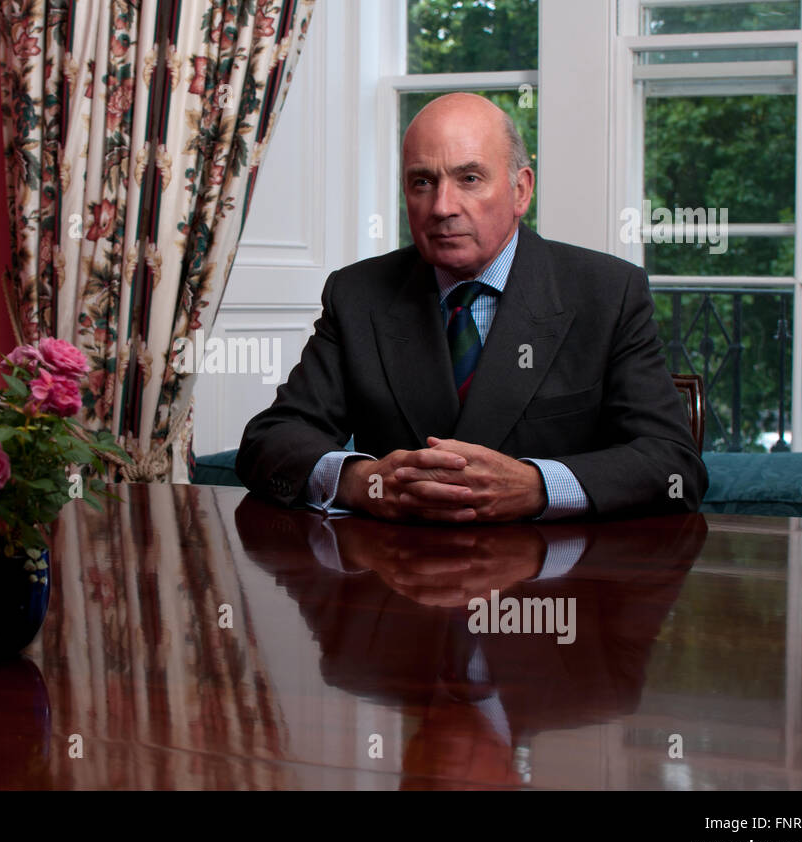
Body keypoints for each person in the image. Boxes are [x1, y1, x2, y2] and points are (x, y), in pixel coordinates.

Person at [235, 92, 707, 521]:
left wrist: (538, 485)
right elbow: (270, 441)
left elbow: (673, 466)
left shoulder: (607, 292)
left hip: (552, 595)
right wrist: (364, 482)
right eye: (423, 182)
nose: (442, 206)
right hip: (395, 589)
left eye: (470, 178)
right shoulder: (358, 294)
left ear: (521, 189)